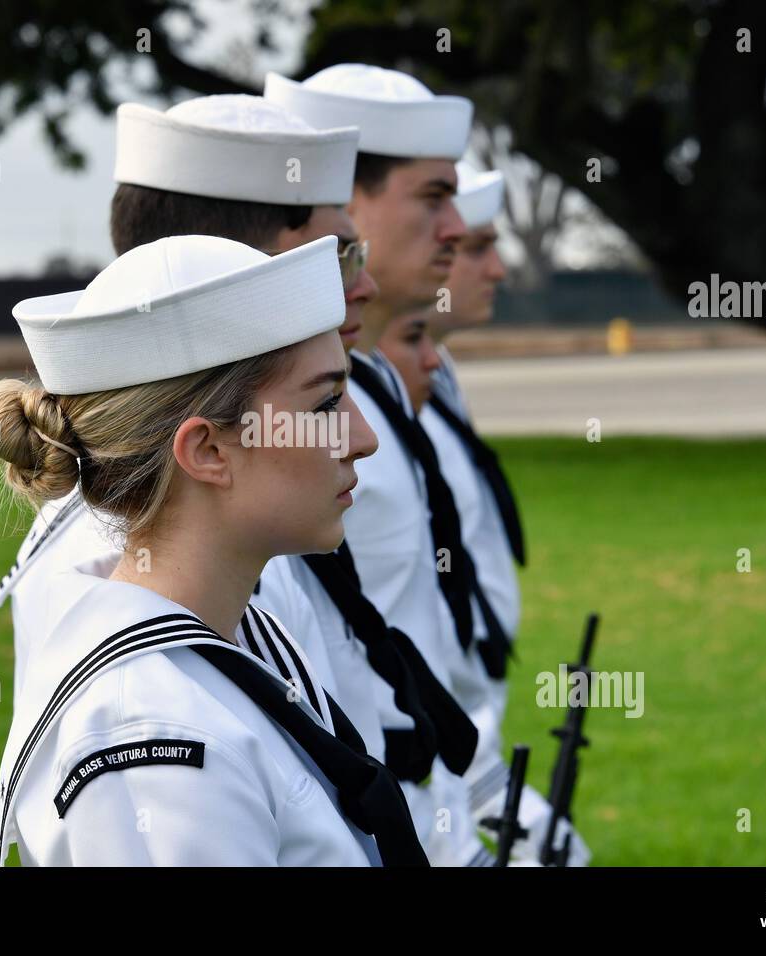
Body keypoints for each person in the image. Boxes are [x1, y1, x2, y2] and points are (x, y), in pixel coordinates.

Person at [0, 91, 482, 862]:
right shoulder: (154, 738)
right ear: (208, 451)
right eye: (324, 403)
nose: (361, 440)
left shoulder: (236, 627)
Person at [267, 63, 503, 864]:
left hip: (433, 801)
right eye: (434, 199)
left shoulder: (377, 390)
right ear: (349, 205)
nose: (456, 231)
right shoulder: (287, 417)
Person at [377, 162, 591, 865]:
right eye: (476, 247)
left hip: (464, 757)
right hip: (426, 777)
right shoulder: (368, 425)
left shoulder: (435, 379)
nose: (495, 269)